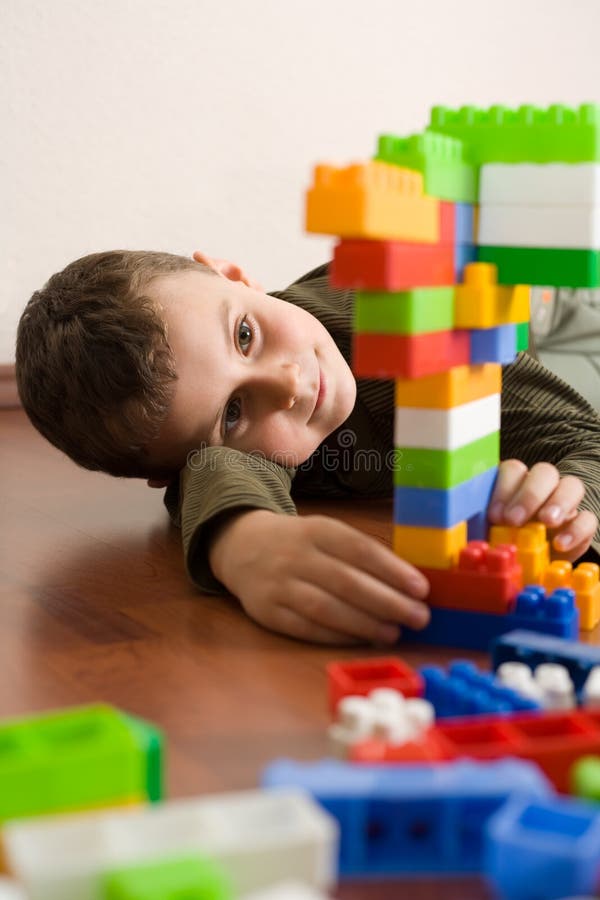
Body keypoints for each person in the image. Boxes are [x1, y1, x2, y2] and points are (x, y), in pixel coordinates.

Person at [15, 250, 600, 645]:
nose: (291, 385)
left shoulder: (397, 323)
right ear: (171, 473)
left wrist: (578, 498)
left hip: (556, 324)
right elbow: (212, 470)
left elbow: (580, 437)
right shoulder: (221, 457)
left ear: (233, 274)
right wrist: (242, 540)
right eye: (234, 413)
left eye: (245, 335)